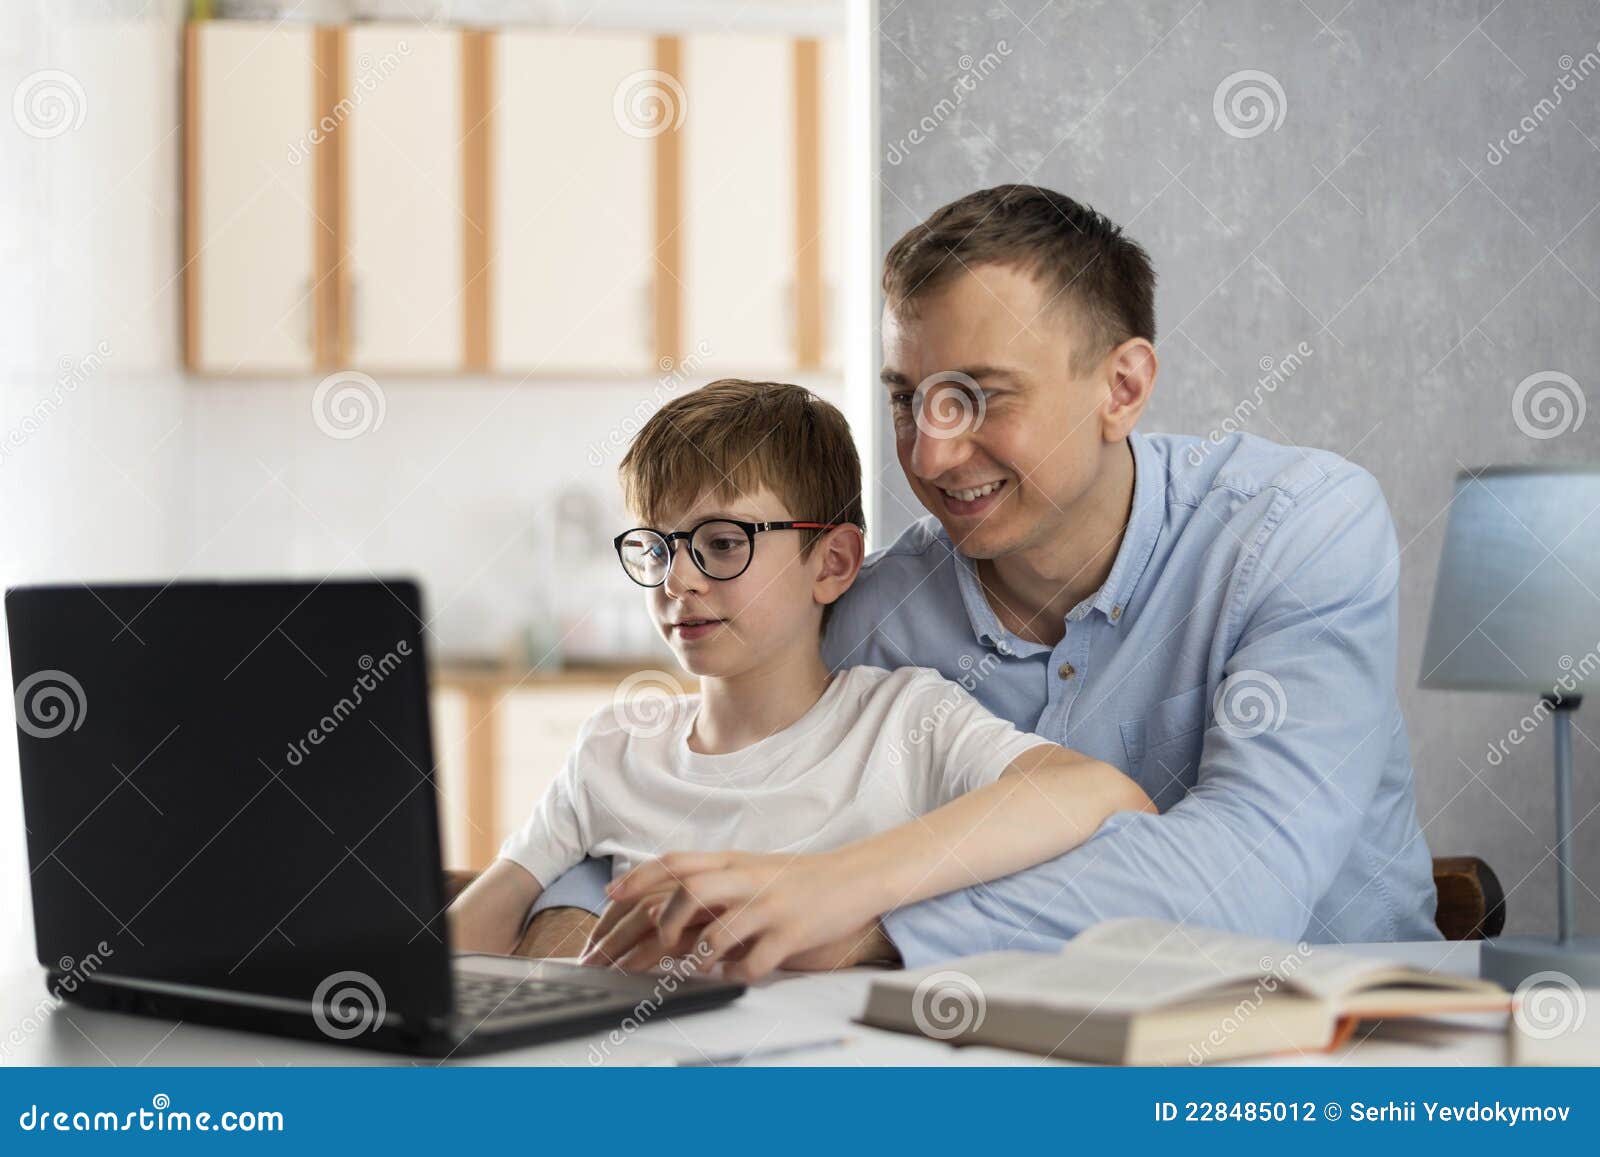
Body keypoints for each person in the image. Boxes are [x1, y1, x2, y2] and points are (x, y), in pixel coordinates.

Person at [530, 185, 1441, 970]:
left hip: (1347, 1044)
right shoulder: (877, 616)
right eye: (905, 398)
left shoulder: (1299, 528)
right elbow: (662, 803)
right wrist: (575, 942)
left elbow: (1248, 880)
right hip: (1023, 1060)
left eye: (980, 395)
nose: (928, 451)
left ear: (1120, 388)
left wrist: (866, 918)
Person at [447, 378, 1154, 980]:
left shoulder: (903, 721)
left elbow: (1100, 794)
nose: (678, 578)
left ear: (834, 563)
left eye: (722, 543)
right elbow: (478, 926)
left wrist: (850, 884)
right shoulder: (613, 747)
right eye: (656, 547)